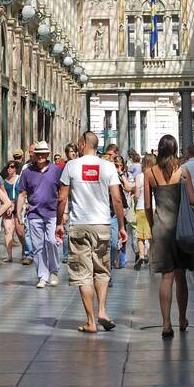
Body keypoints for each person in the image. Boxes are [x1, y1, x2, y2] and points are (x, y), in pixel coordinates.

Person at [57, 131, 126, 334]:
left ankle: (91, 321)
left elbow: (62, 198)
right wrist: (121, 226)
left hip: (80, 225)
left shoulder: (71, 166)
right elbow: (117, 199)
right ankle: (102, 311)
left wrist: (59, 223)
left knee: (83, 274)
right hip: (103, 224)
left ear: (82, 143)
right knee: (102, 270)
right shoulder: (108, 167)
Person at [144, 134, 194, 339]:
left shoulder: (150, 173)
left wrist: (152, 225)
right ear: (176, 149)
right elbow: (193, 200)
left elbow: (147, 206)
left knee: (166, 277)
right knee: (181, 276)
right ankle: (182, 319)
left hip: (161, 227)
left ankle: (166, 324)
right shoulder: (183, 171)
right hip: (181, 229)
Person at [19, 141, 63, 288]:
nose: (41, 156)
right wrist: (18, 213)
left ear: (48, 154)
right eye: (38, 153)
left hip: (52, 213)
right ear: (34, 155)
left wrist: (65, 213)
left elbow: (63, 193)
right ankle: (42, 276)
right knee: (38, 246)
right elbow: (22, 194)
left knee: (51, 242)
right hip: (34, 213)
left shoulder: (56, 170)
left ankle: (54, 271)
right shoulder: (27, 172)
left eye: (43, 153)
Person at [110, 153, 135, 269]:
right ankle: (113, 260)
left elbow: (129, 187)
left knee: (122, 234)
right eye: (115, 165)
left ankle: (122, 259)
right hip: (113, 209)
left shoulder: (126, 175)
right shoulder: (109, 174)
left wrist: (120, 173)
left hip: (125, 208)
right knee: (114, 238)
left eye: (120, 165)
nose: (117, 167)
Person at [133, 154, 154, 269]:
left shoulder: (139, 177)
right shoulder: (155, 176)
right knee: (151, 235)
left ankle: (141, 255)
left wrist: (135, 200)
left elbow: (136, 195)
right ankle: (151, 260)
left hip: (140, 208)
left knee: (140, 235)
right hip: (153, 207)